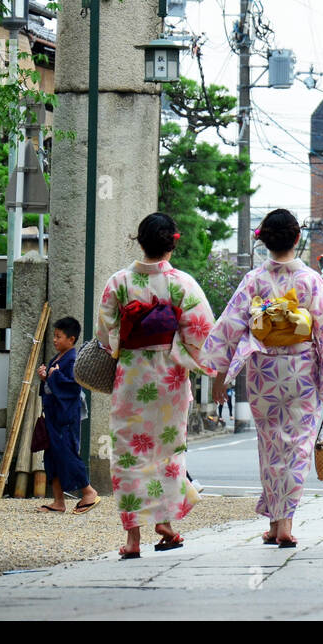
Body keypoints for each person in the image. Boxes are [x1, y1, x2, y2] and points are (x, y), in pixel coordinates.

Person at [203, 209, 323, 548]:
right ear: (298, 239)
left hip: (263, 370)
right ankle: (284, 523)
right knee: (297, 447)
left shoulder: (254, 280)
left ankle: (275, 523)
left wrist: (220, 377)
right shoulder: (310, 280)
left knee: (270, 445)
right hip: (302, 371)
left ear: (264, 241)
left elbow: (229, 328)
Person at [96, 213, 215, 559]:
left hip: (131, 377)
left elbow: (106, 336)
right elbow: (201, 333)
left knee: (128, 454)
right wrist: (176, 346)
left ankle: (133, 539)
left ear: (139, 240)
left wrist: (128, 342)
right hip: (170, 378)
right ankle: (165, 523)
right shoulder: (182, 284)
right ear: (172, 243)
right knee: (168, 452)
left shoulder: (118, 282)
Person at [36, 316, 99, 514]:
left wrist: (54, 376)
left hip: (65, 418)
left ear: (71, 340)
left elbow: (71, 388)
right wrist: (45, 376)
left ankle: (88, 492)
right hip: (53, 416)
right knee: (52, 456)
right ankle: (58, 501)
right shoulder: (57, 359)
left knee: (67, 454)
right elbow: (50, 386)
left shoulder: (73, 360)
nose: (55, 340)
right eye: (54, 336)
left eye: (59, 337)